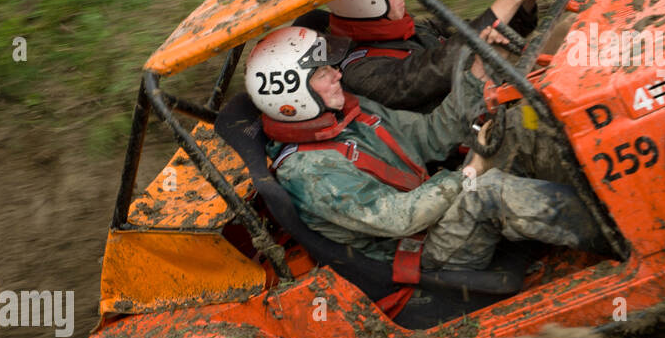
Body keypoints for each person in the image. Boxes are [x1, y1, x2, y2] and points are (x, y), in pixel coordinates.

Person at [245, 25, 605, 275]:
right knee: (490, 193)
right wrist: (470, 174)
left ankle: (609, 194)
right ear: (290, 94)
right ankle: (618, 233)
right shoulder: (309, 173)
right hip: (427, 252)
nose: (338, 75)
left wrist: (475, 75)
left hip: (435, 211)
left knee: (517, 124)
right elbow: (400, 218)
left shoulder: (349, 115)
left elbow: (431, 135)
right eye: (323, 73)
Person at [319, 0, 557, 111]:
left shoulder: (410, 30)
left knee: (568, 35)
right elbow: (439, 68)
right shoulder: (361, 72)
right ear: (365, 0)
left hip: (496, 101)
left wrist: (525, 1)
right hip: (471, 150)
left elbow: (477, 33)